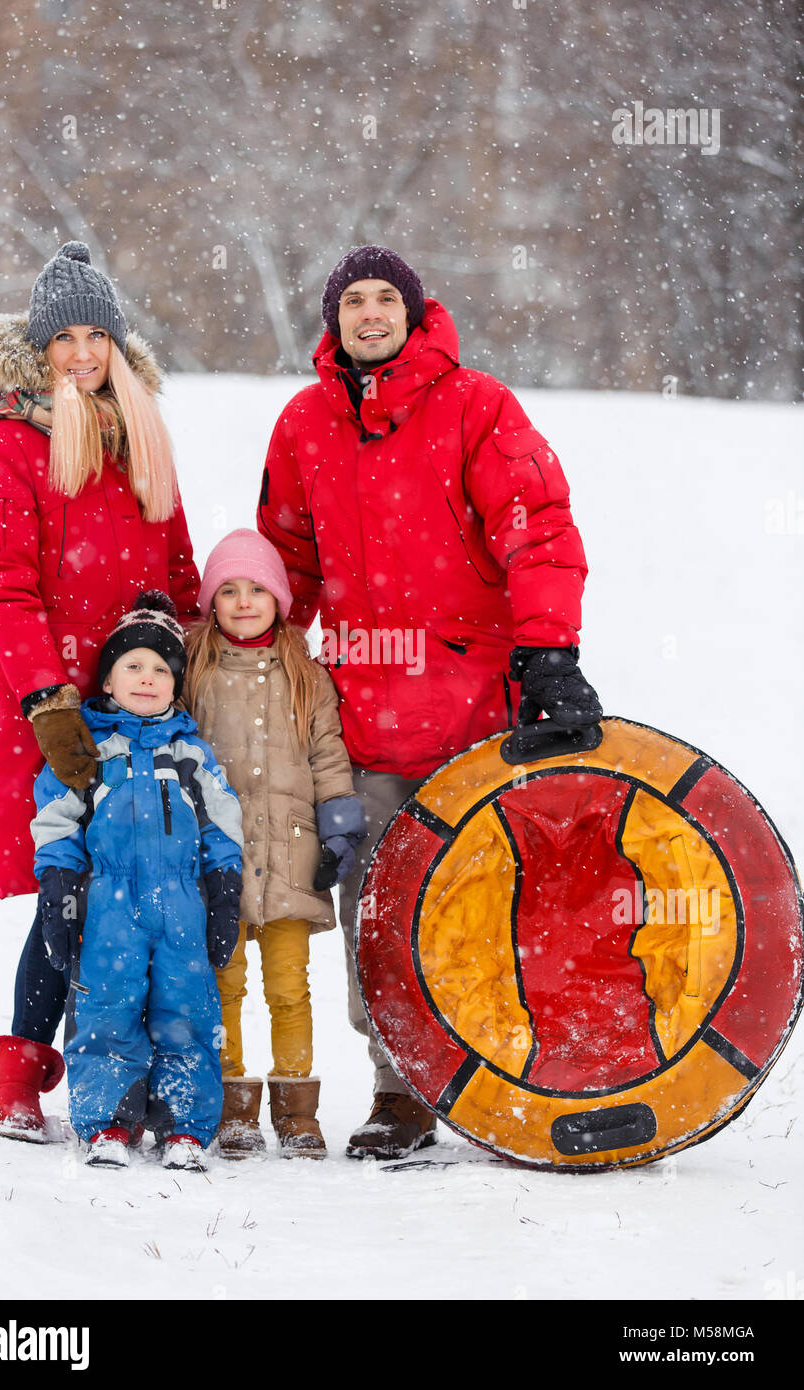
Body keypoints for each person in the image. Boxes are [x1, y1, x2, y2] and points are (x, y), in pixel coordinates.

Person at [257, 245, 603, 1159]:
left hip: (476, 715)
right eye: (353, 301)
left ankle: (512, 1071)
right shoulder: (303, 424)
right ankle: (399, 1088)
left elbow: (538, 531)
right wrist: (258, 670)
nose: (370, 314)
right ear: (332, 320)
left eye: (385, 299)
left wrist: (549, 655)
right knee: (378, 906)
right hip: (362, 717)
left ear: (415, 312)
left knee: (493, 903)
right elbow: (285, 564)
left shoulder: (479, 406)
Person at [0, 241, 201, 1141]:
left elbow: (178, 573)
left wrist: (199, 660)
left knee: (136, 899)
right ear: (40, 344)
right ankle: (17, 1067)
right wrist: (47, 699)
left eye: (99, 334)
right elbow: (3, 587)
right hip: (50, 704)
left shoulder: (142, 436)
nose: (84, 354)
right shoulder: (6, 443)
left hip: (142, 703)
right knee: (64, 894)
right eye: (66, 337)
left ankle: (119, 1081)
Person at [31, 591, 243, 1170]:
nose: (147, 678)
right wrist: (59, 888)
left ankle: (184, 1126)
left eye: (160, 670)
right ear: (108, 679)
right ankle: (108, 1124)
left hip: (182, 905)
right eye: (133, 666)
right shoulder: (88, 753)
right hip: (108, 905)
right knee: (106, 1011)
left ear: (176, 684)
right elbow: (55, 820)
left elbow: (223, 826)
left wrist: (224, 894)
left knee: (188, 1014)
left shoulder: (193, 755)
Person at [184, 529, 365, 1158]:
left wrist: (338, 826)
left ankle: (297, 1111)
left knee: (289, 987)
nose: (242, 601)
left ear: (280, 599)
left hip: (292, 859)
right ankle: (233, 1107)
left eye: (256, 588)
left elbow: (328, 755)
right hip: (218, 861)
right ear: (210, 601)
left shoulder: (306, 674)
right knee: (223, 984)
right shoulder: (196, 669)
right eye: (228, 590)